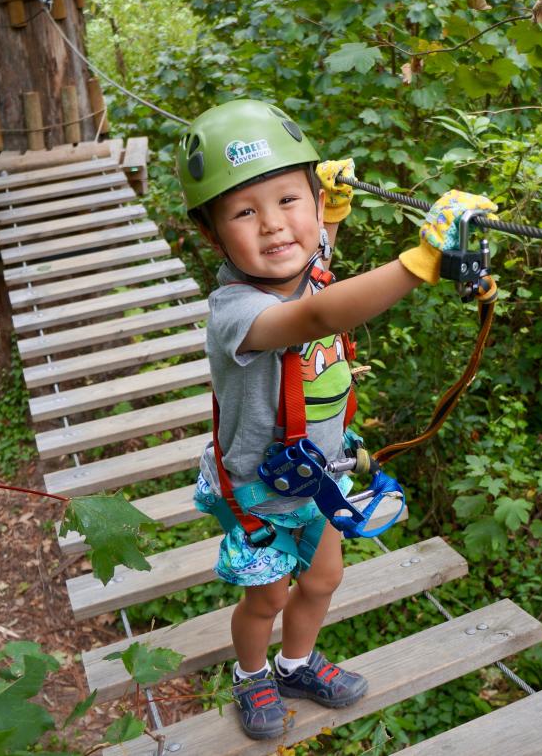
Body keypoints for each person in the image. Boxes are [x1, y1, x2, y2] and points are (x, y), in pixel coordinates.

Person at [175, 99, 496, 740]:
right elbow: (320, 317)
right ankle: (250, 674)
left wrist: (335, 213)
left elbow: (316, 261)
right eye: (245, 212)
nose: (273, 227)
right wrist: (418, 263)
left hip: (318, 473)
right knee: (265, 597)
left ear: (315, 209)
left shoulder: (307, 257)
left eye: (290, 201)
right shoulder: (235, 313)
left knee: (323, 578)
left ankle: (295, 663)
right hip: (261, 493)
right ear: (213, 237)